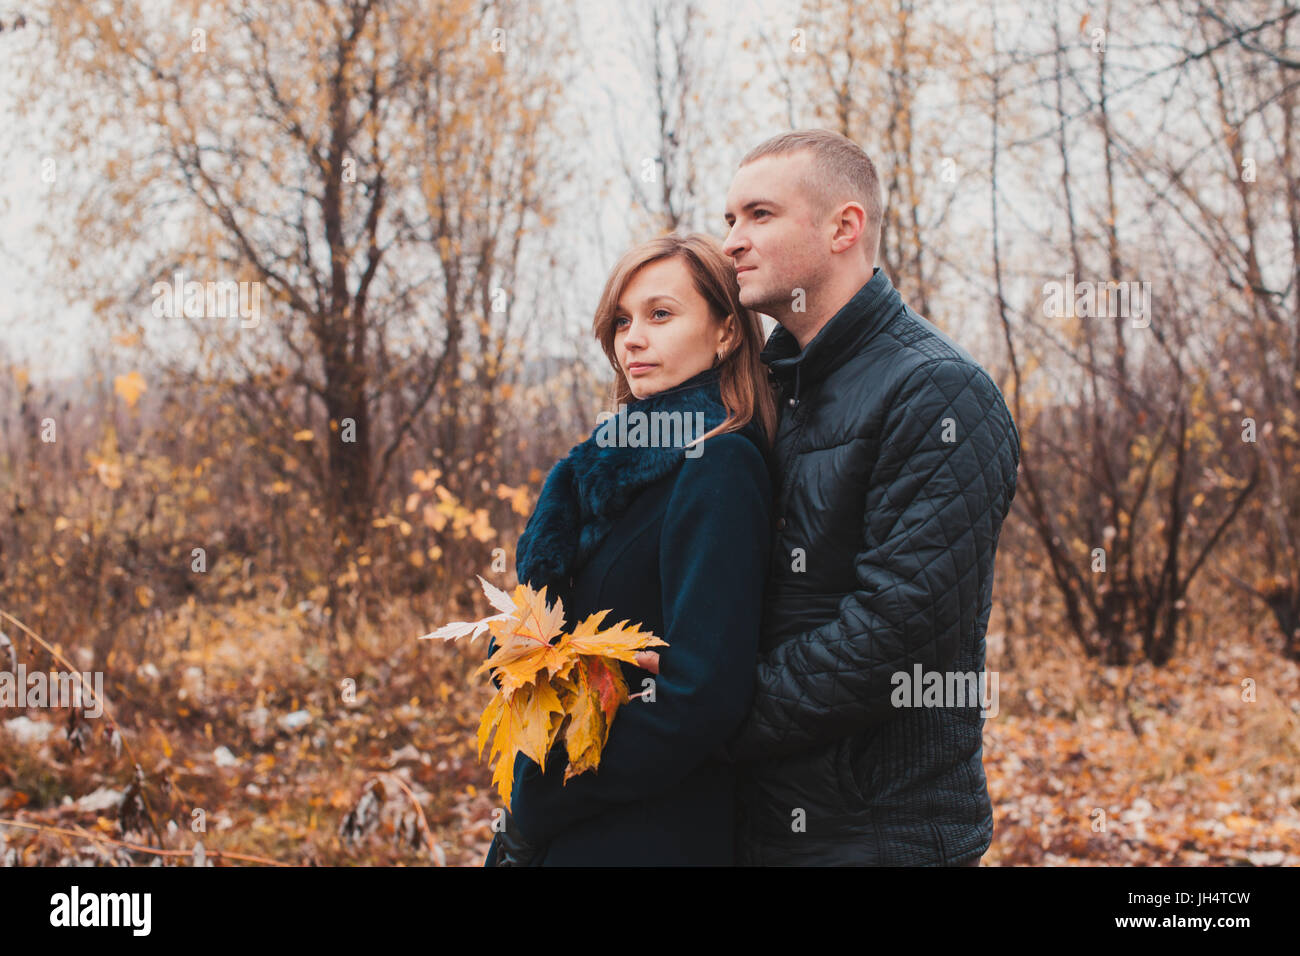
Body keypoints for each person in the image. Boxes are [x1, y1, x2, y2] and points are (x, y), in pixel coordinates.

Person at [638, 129, 1021, 865]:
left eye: (759, 215)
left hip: (875, 833)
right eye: (727, 221)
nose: (732, 244)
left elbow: (894, 635)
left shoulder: (937, 392)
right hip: (752, 819)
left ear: (844, 227)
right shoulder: (764, 392)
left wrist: (707, 713)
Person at [483, 232, 777, 866]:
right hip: (567, 820)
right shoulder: (595, 472)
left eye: (660, 315)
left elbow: (702, 698)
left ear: (726, 332)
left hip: (648, 830)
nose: (632, 339)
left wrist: (545, 798)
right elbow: (526, 641)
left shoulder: (719, 464)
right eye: (621, 321)